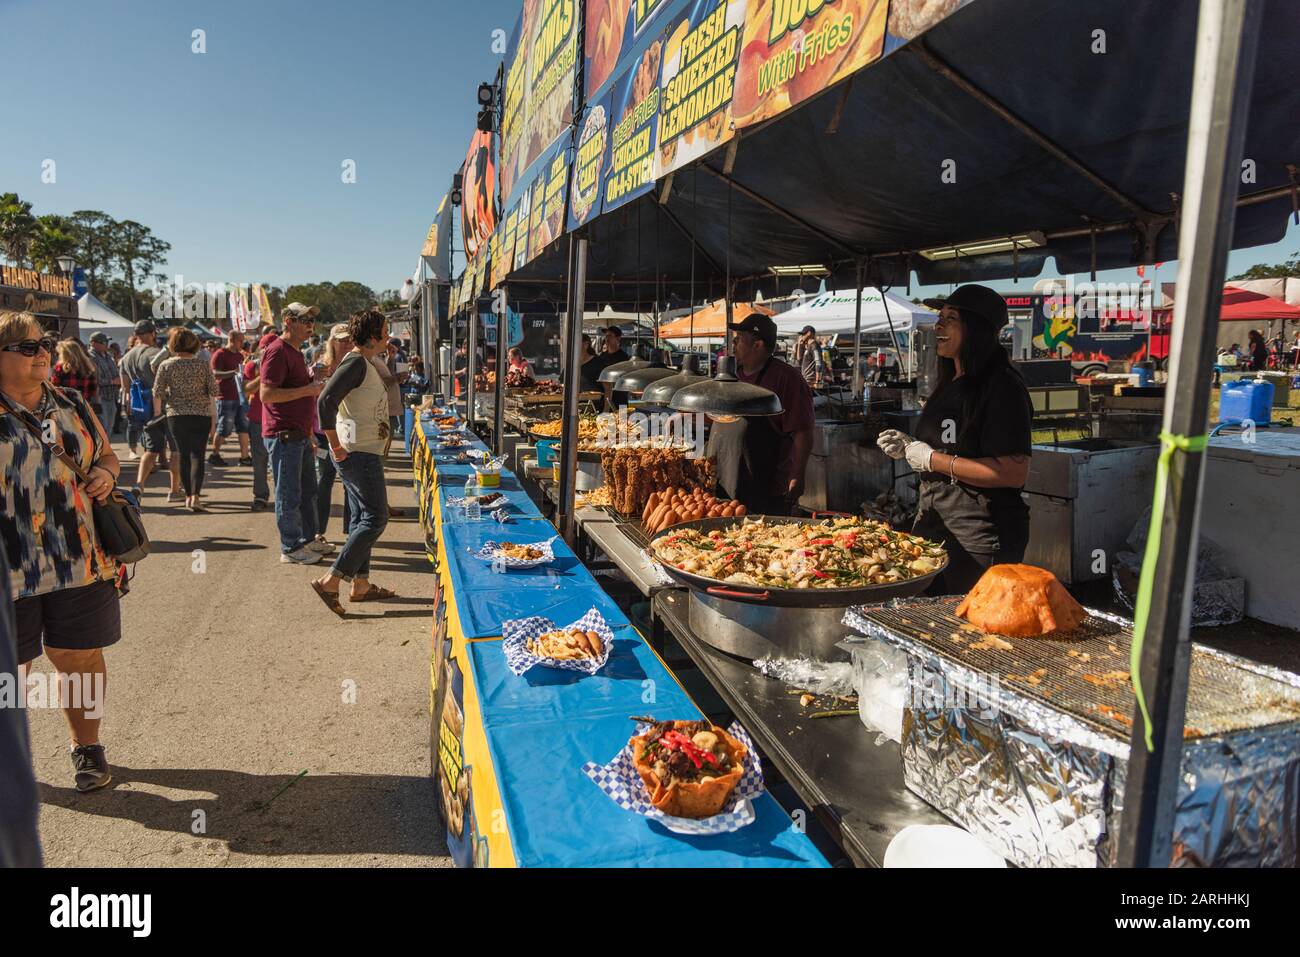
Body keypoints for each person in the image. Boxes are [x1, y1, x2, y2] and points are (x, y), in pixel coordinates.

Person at [0, 310, 121, 793]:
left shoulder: (70, 401)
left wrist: (107, 474)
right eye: (28, 347)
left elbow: (107, 455)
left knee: (79, 657)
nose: (42, 353)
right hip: (9, 566)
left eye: (44, 343)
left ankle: (86, 747)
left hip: (79, 558)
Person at [877, 285, 1033, 594]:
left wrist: (931, 459)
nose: (938, 326)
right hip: (934, 523)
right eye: (939, 317)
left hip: (979, 535)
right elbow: (951, 444)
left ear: (977, 329)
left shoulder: (1002, 387)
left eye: (951, 318)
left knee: (968, 633)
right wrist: (909, 445)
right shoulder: (949, 382)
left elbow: (1012, 472)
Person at [310, 309, 400, 616]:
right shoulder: (355, 361)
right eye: (385, 331)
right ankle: (331, 580)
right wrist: (334, 445)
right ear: (373, 336)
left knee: (364, 517)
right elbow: (325, 401)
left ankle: (360, 584)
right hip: (357, 453)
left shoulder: (366, 362)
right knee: (376, 518)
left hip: (362, 450)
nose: (388, 336)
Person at [710, 314, 815, 516]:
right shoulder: (730, 375)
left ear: (757, 344)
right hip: (724, 478)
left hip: (765, 485)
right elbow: (716, 415)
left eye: (739, 337)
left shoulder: (787, 378)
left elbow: (803, 430)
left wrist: (798, 476)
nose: (733, 342)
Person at [261, 303, 327, 564]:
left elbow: (291, 386)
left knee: (307, 491)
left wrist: (312, 376)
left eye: (312, 319)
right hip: (283, 434)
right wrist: (308, 390)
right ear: (288, 321)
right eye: (304, 319)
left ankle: (307, 540)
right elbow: (266, 394)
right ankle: (290, 547)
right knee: (288, 494)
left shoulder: (294, 351)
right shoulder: (277, 351)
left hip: (297, 432)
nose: (310, 324)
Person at [153, 327, 219, 511]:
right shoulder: (203, 364)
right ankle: (195, 497)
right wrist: (214, 418)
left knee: (182, 456)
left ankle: (188, 495)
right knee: (198, 455)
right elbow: (213, 392)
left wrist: (158, 414)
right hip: (201, 414)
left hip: (176, 415)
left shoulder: (166, 365)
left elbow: (157, 392)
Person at [120, 321, 183, 502]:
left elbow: (125, 388)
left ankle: (139, 485)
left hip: (143, 409)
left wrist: (130, 409)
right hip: (167, 407)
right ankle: (174, 489)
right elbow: (168, 382)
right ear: (153, 333)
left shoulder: (127, 357)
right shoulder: (157, 354)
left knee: (151, 448)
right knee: (175, 448)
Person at [313, 324, 354, 548]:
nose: (346, 343)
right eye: (341, 339)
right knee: (325, 481)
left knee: (350, 483)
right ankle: (318, 530)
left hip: (349, 431)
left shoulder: (358, 365)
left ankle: (351, 531)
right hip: (323, 432)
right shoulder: (321, 366)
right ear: (332, 341)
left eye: (349, 339)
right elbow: (313, 401)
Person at [242, 332, 277, 510]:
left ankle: (282, 497)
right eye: (266, 348)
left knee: (279, 462)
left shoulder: (284, 363)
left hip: (279, 420)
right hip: (258, 420)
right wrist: (263, 373)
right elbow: (247, 390)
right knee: (259, 461)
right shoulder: (251, 366)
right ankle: (261, 496)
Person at [210, 330, 252, 467]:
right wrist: (232, 373)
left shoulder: (240, 355)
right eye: (240, 340)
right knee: (224, 427)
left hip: (239, 396)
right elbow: (214, 373)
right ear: (231, 339)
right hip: (225, 396)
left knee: (243, 427)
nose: (242, 343)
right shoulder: (220, 354)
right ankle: (214, 455)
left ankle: (245, 457)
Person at [87, 333, 121, 433]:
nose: (107, 344)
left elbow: (115, 373)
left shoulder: (108, 356)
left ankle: (106, 447)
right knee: (102, 429)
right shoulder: (90, 357)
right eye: (104, 342)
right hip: (100, 398)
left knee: (109, 428)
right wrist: (112, 381)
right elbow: (95, 379)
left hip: (111, 397)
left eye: (107, 342)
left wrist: (119, 379)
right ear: (93, 343)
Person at [51, 338, 99, 406]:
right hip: (84, 405)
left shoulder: (60, 368)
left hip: (65, 406)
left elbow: (54, 388)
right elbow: (93, 390)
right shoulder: (87, 367)